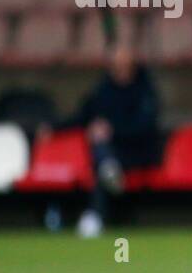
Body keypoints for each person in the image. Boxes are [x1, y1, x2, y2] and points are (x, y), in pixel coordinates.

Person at [55, 46, 161, 238]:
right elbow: (82, 116)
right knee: (103, 160)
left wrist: (112, 130)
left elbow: (145, 128)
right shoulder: (104, 90)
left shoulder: (145, 92)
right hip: (113, 153)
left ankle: (95, 215)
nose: (119, 69)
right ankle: (107, 175)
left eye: (123, 64)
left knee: (102, 161)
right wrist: (53, 128)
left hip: (139, 153)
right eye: (115, 65)